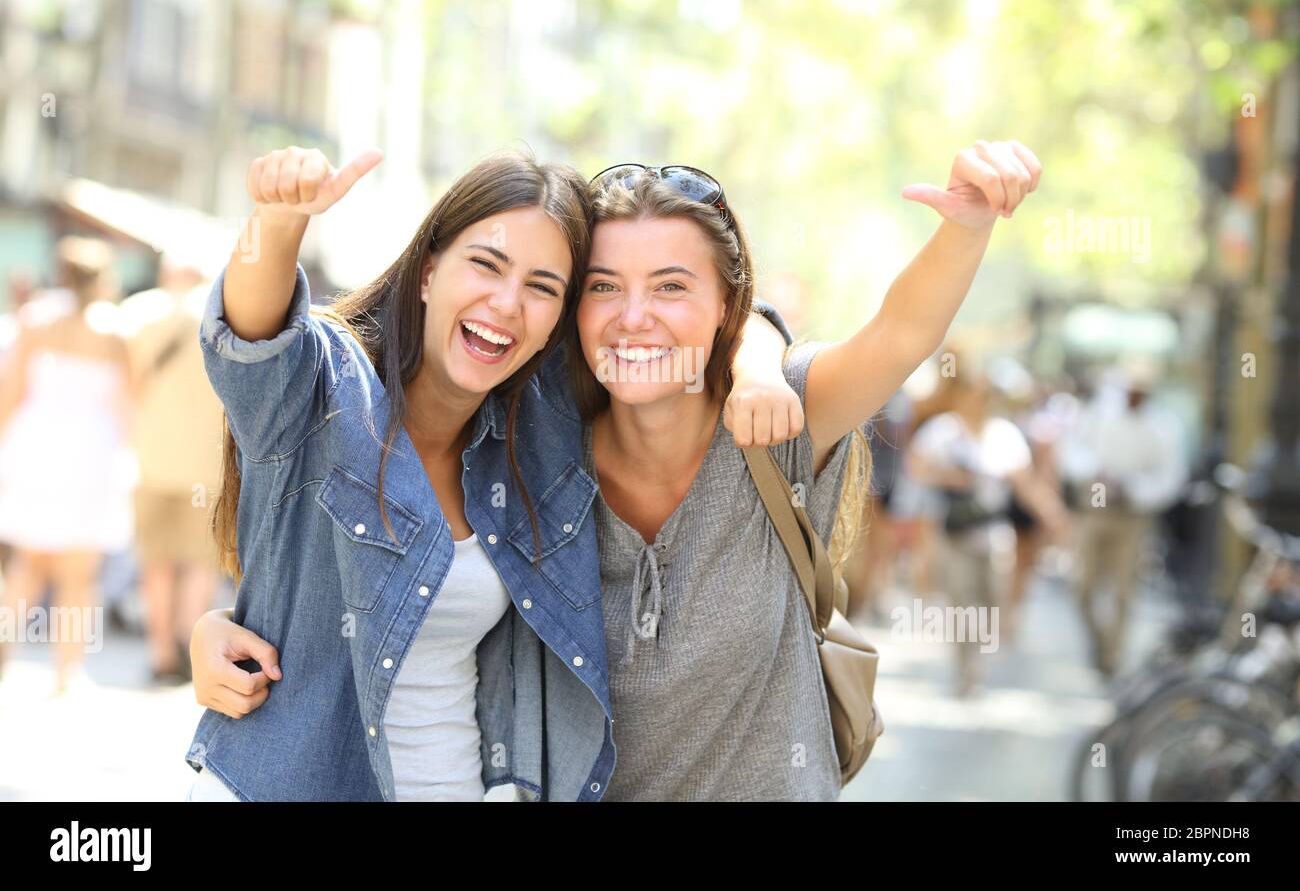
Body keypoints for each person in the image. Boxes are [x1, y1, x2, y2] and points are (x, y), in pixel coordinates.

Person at [196, 139, 1049, 798]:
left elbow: (898, 335)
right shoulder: (536, 448)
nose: (635, 317)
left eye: (672, 287)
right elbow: (266, 358)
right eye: (603, 287)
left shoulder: (771, 421)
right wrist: (223, 622)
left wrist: (963, 225)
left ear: (726, 307)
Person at [182, 146, 795, 802]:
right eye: (486, 265)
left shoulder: (535, 433)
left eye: (542, 288)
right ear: (427, 271)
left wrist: (760, 372)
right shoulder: (327, 391)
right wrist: (280, 220)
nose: (506, 304)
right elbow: (251, 338)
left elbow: (726, 313)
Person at [0, 238, 136, 695]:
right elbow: (129, 404)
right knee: (80, 573)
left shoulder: (35, 322)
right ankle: (66, 673)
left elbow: (10, 392)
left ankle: (5, 659)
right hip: (90, 456)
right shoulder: (116, 332)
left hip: (37, 448)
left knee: (26, 565)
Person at [907, 364, 1069, 696]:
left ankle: (978, 656)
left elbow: (1025, 482)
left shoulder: (1004, 435)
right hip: (955, 533)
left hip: (994, 534)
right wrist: (952, 476)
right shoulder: (943, 431)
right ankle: (967, 669)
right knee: (962, 600)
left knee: (992, 601)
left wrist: (1052, 513)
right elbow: (917, 468)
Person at [119, 251, 227, 685]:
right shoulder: (221, 317)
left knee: (156, 563)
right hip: (208, 466)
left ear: (165, 272)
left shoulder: (138, 314)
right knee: (199, 563)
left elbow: (126, 388)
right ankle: (190, 647)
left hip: (152, 462)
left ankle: (160, 653)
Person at [1057, 361, 1187, 677]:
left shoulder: (1164, 426)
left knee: (1124, 591)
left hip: (1133, 518)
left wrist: (1131, 488)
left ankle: (1113, 657)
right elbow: (1073, 451)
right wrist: (1096, 473)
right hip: (1095, 512)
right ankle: (1100, 644)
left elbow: (1170, 478)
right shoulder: (1102, 413)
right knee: (1083, 587)